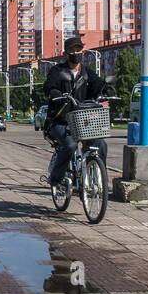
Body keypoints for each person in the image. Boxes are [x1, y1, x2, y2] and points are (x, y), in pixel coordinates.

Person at [44, 36, 111, 189]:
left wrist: (105, 90)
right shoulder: (57, 71)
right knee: (70, 145)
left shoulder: (87, 73)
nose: (76, 52)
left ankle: (99, 180)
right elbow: (48, 86)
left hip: (82, 120)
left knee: (100, 144)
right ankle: (56, 178)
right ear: (66, 53)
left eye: (78, 49)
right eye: (72, 50)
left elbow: (98, 85)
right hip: (60, 120)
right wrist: (54, 92)